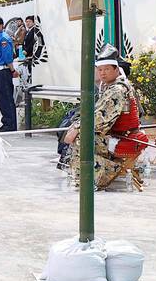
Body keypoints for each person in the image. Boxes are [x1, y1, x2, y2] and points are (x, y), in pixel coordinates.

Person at [63, 47, 149, 188]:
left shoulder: (117, 90)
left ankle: (95, 178)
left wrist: (78, 127)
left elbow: (100, 118)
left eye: (106, 69)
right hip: (116, 134)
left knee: (82, 139)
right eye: (100, 69)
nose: (102, 73)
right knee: (75, 129)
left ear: (116, 70)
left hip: (123, 138)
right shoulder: (111, 86)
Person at [0, 15, 18, 133]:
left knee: (6, 98)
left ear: (1, 25)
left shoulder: (4, 38)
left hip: (4, 70)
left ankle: (10, 123)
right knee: (0, 99)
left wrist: (12, 70)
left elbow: (7, 57)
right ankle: (6, 121)